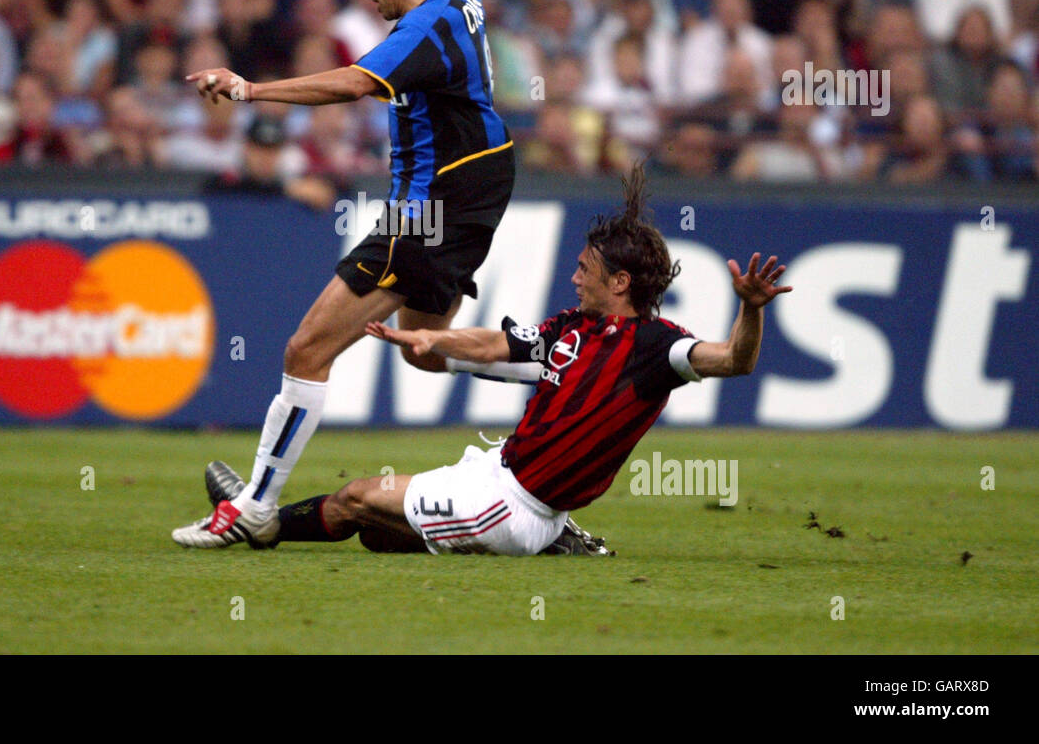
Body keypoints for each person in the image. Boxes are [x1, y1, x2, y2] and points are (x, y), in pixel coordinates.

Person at [176, 166, 792, 556]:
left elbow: (733, 361)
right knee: (379, 536)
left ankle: (258, 521)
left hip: (512, 507)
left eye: (586, 269)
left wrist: (752, 309)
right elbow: (498, 345)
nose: (575, 276)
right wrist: (431, 341)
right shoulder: (572, 327)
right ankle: (552, 541)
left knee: (356, 499)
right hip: (498, 473)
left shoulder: (658, 348)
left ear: (621, 282)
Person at [174, 0, 516, 548]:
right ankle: (558, 367)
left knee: (307, 349)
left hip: (431, 205)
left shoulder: (424, 28)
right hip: (479, 185)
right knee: (425, 349)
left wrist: (250, 88)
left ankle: (255, 508)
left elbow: (355, 82)